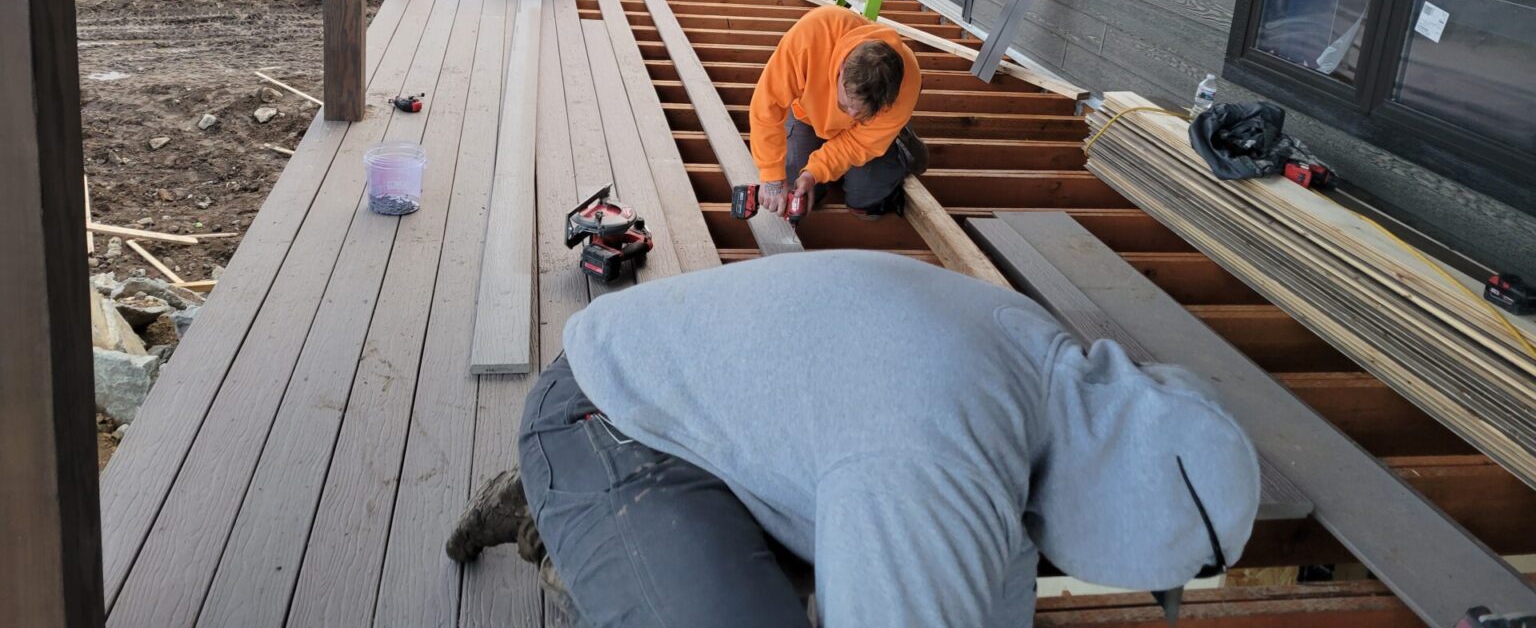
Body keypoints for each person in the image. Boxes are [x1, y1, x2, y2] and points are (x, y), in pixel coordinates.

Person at [447, 251, 1262, 628]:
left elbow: (998, 574)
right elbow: (937, 502)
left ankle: (592, 524)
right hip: (607, 420)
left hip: (705, 407)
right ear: (1118, 512)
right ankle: (566, 522)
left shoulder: (1048, 393)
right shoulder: (934, 450)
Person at [749, 5, 925, 221]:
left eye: (859, 111)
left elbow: (856, 143)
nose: (850, 114)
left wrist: (815, 172)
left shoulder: (907, 84)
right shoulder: (812, 35)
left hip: (865, 135)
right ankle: (830, 172)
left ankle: (898, 146)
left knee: (865, 203)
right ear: (842, 66)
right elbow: (767, 107)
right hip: (809, 116)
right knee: (795, 189)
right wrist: (775, 178)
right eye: (846, 104)